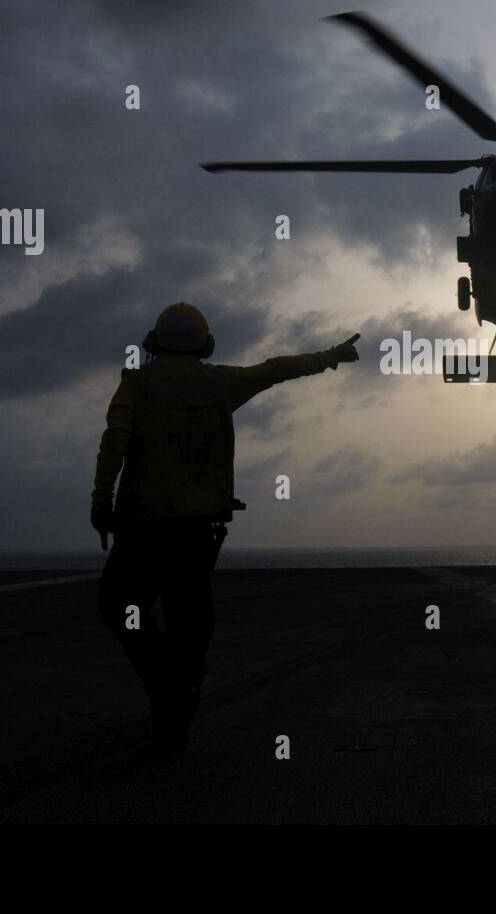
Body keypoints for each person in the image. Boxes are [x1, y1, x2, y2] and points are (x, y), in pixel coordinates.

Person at [92, 302, 360, 755]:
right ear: (206, 344)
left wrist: (101, 500)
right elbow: (276, 369)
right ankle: (176, 696)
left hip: (142, 530)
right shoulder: (221, 384)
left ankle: (164, 687)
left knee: (119, 605)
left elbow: (113, 442)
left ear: (154, 343)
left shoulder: (136, 385)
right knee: (190, 625)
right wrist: (330, 355)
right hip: (197, 533)